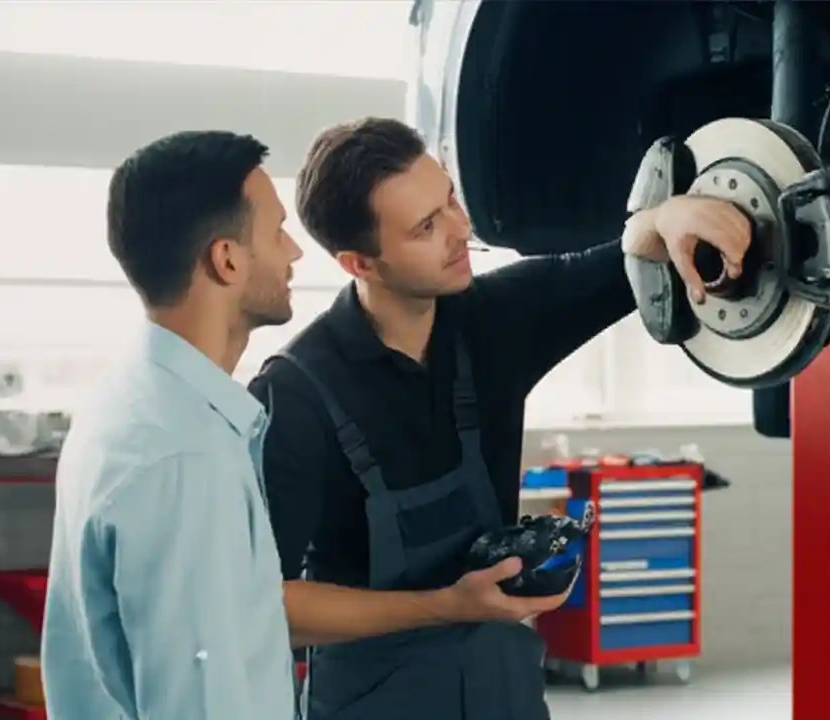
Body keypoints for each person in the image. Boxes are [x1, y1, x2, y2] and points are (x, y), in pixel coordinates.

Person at [248, 117, 750, 720]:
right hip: (373, 702)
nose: (460, 230)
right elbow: (267, 606)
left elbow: (609, 265)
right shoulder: (295, 392)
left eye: (450, 200)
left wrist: (665, 219)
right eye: (426, 227)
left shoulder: (491, 322)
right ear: (361, 264)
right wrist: (446, 605)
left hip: (502, 692)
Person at [41, 130, 304, 719]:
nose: (294, 252)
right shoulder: (187, 457)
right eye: (277, 232)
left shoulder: (130, 401)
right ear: (226, 258)